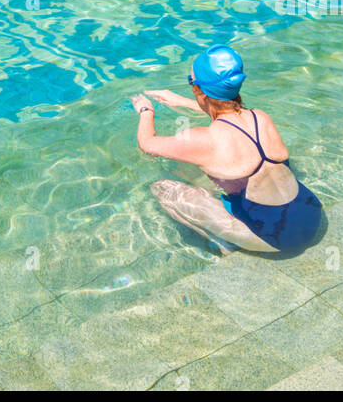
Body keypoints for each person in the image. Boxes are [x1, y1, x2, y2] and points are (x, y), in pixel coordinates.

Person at [132, 45, 322, 255]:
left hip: (276, 239)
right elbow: (230, 114)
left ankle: (223, 244)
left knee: (163, 189)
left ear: (200, 91)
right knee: (221, 177)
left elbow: (148, 143)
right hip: (312, 217)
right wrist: (182, 102)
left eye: (191, 81)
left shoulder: (203, 139)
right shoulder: (260, 116)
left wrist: (145, 110)